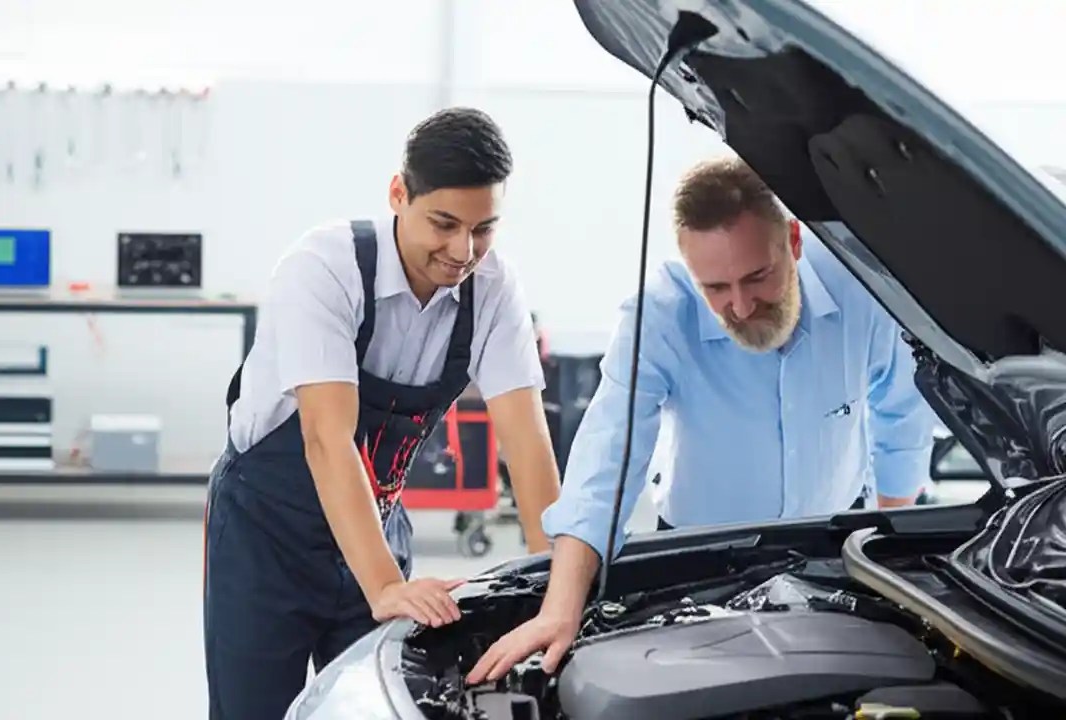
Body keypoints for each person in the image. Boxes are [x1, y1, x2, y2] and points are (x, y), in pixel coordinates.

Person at [465, 155, 934, 685]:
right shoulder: (660, 314)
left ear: (795, 243)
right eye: (716, 287)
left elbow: (903, 411)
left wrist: (895, 553)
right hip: (701, 560)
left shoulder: (862, 293)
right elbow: (607, 461)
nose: (739, 305)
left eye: (758, 277)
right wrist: (559, 608)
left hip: (831, 550)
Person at [203, 106, 563, 719]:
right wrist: (385, 588)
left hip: (377, 525)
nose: (463, 250)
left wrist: (554, 589)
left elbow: (527, 440)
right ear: (399, 193)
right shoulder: (324, 268)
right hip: (266, 539)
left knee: (385, 708)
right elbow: (326, 438)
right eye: (444, 224)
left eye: (483, 229)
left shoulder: (494, 287)